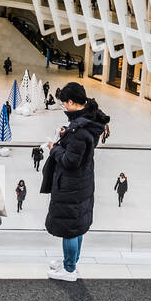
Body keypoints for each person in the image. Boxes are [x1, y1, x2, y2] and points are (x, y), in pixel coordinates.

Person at [42, 83, 110, 280]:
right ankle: (71, 262)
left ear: (72, 102)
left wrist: (54, 148)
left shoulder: (81, 129)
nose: (63, 106)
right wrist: (67, 134)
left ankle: (69, 269)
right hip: (82, 182)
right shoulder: (88, 120)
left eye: (64, 103)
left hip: (72, 184)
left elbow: (70, 161)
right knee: (77, 225)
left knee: (70, 229)